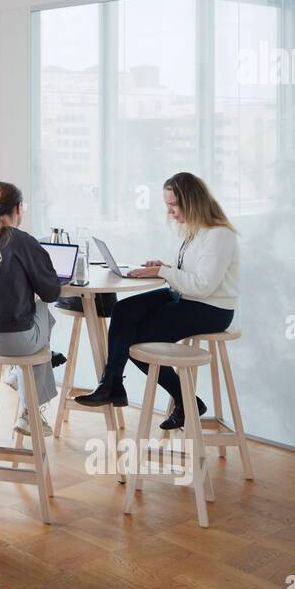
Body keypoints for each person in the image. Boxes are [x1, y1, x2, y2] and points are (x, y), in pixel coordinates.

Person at [74, 172, 239, 430]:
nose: (170, 211)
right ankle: (111, 383)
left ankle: (183, 400)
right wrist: (165, 267)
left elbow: (205, 286)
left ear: (192, 201)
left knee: (134, 339)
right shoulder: (195, 232)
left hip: (211, 308)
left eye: (174, 204)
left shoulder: (219, 235)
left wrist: (162, 272)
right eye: (168, 205)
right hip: (186, 296)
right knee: (124, 309)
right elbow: (193, 274)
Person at [0, 182, 61, 437]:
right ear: (18, 209)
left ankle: (14, 374)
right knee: (43, 311)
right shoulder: (24, 242)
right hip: (16, 342)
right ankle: (30, 411)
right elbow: (51, 293)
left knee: (34, 314)